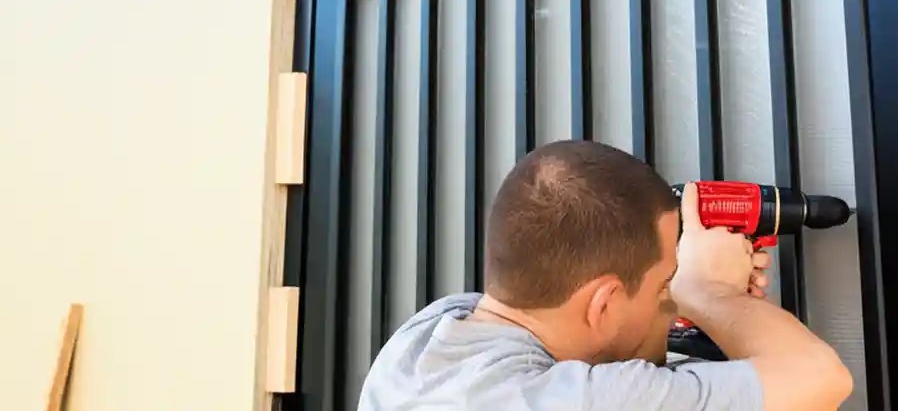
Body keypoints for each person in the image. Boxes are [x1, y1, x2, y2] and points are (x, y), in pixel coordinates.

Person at [357, 140, 853, 410]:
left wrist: (672, 312)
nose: (670, 299)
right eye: (665, 286)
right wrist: (711, 293)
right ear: (603, 303)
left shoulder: (427, 336)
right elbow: (821, 382)